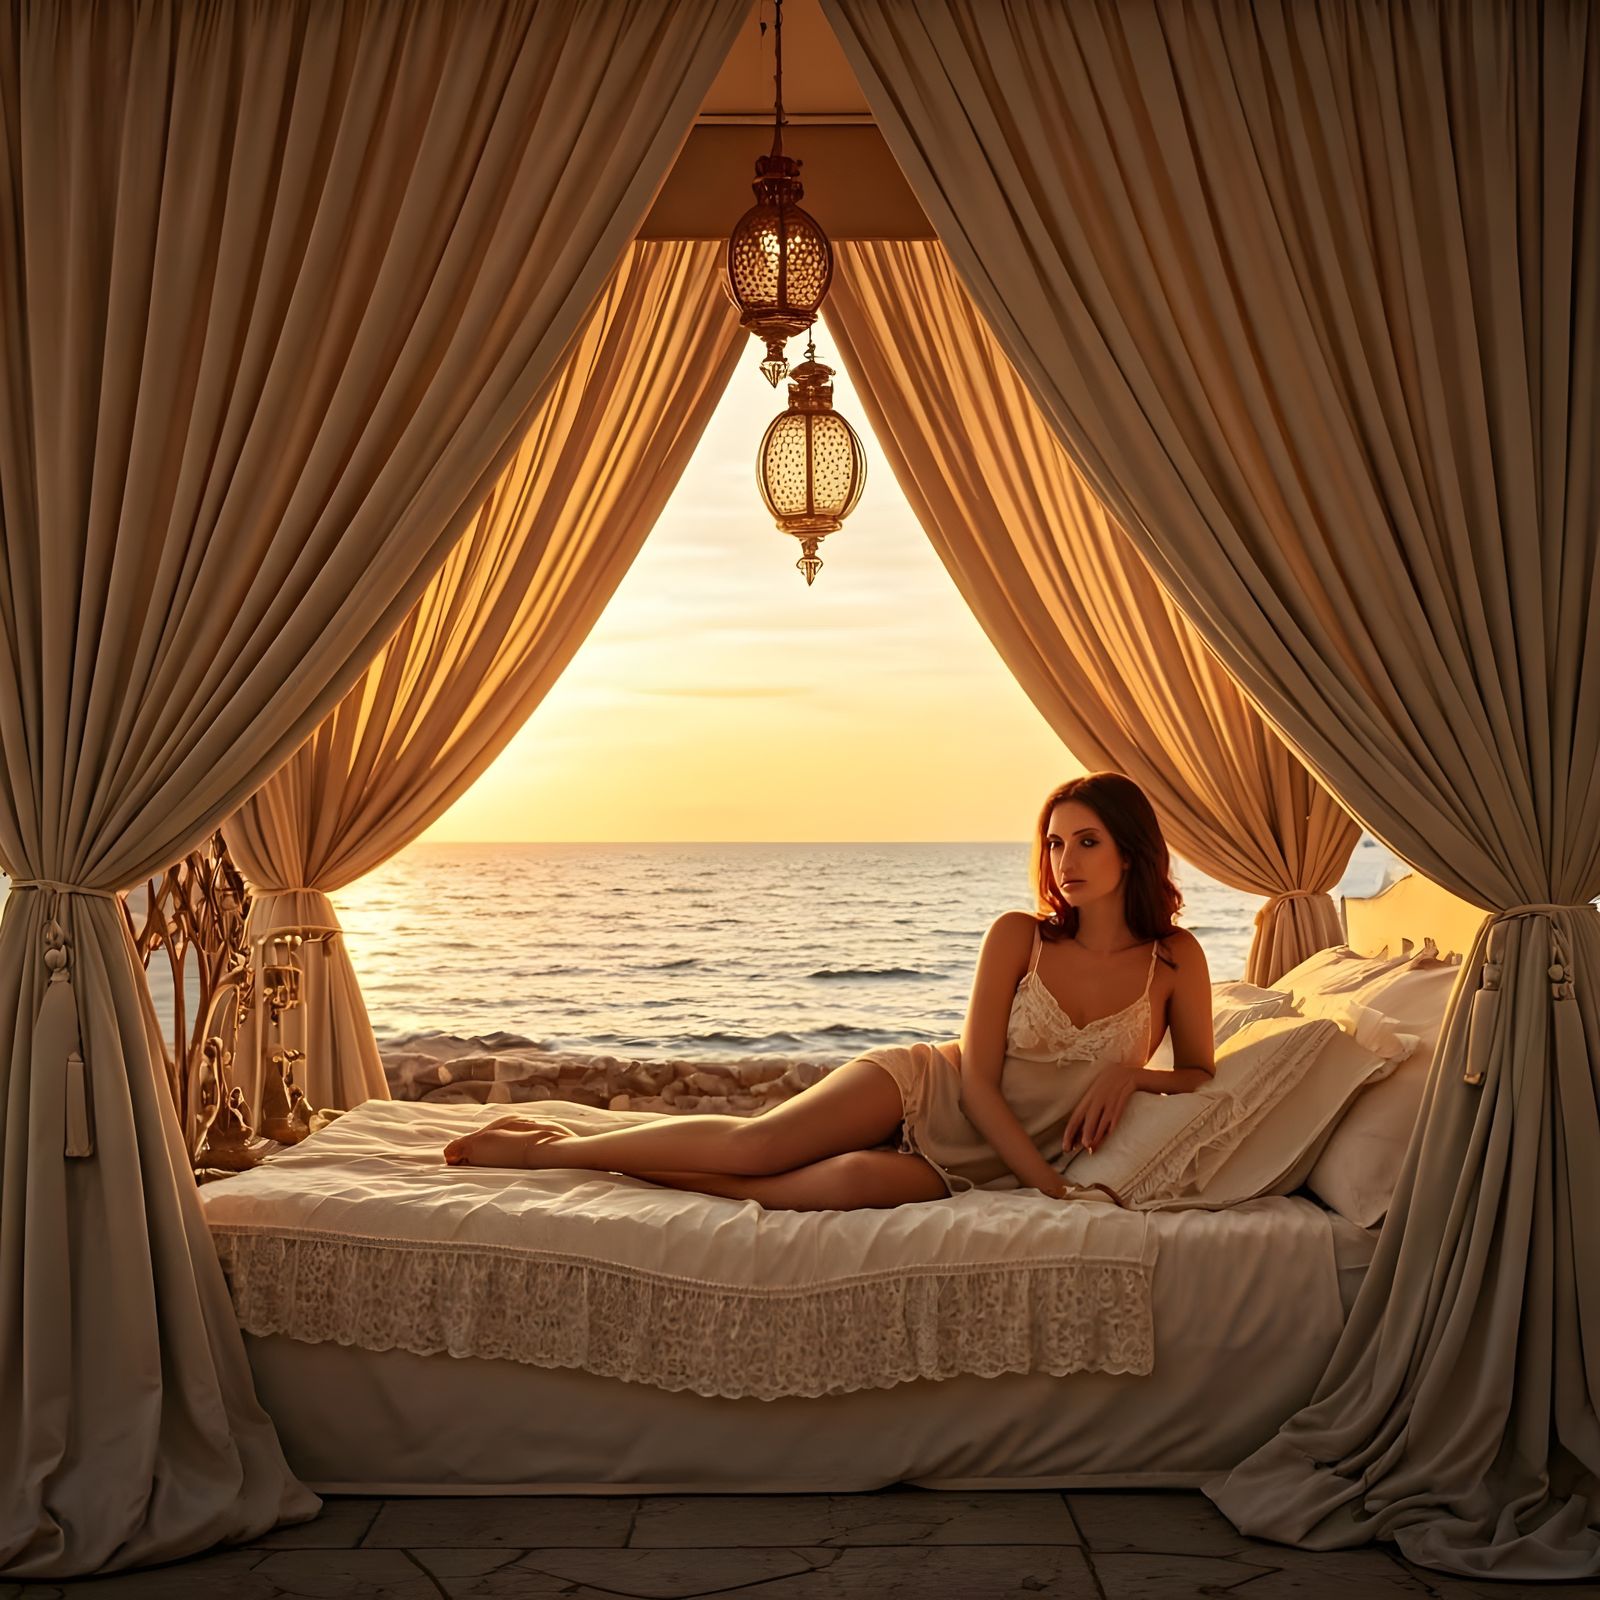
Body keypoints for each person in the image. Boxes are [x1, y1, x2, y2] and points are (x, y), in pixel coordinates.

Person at [442, 772, 1216, 1208]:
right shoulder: (1019, 934)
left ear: (1131, 851)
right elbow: (978, 1081)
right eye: (1054, 843)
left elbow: (1201, 1073)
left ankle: (596, 1161)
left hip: (981, 1166)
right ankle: (554, 1154)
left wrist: (1130, 1071)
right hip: (929, 1091)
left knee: (802, 1190)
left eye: (1086, 841)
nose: (1064, 860)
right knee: (758, 1145)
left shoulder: (1176, 960)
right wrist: (1047, 1187)